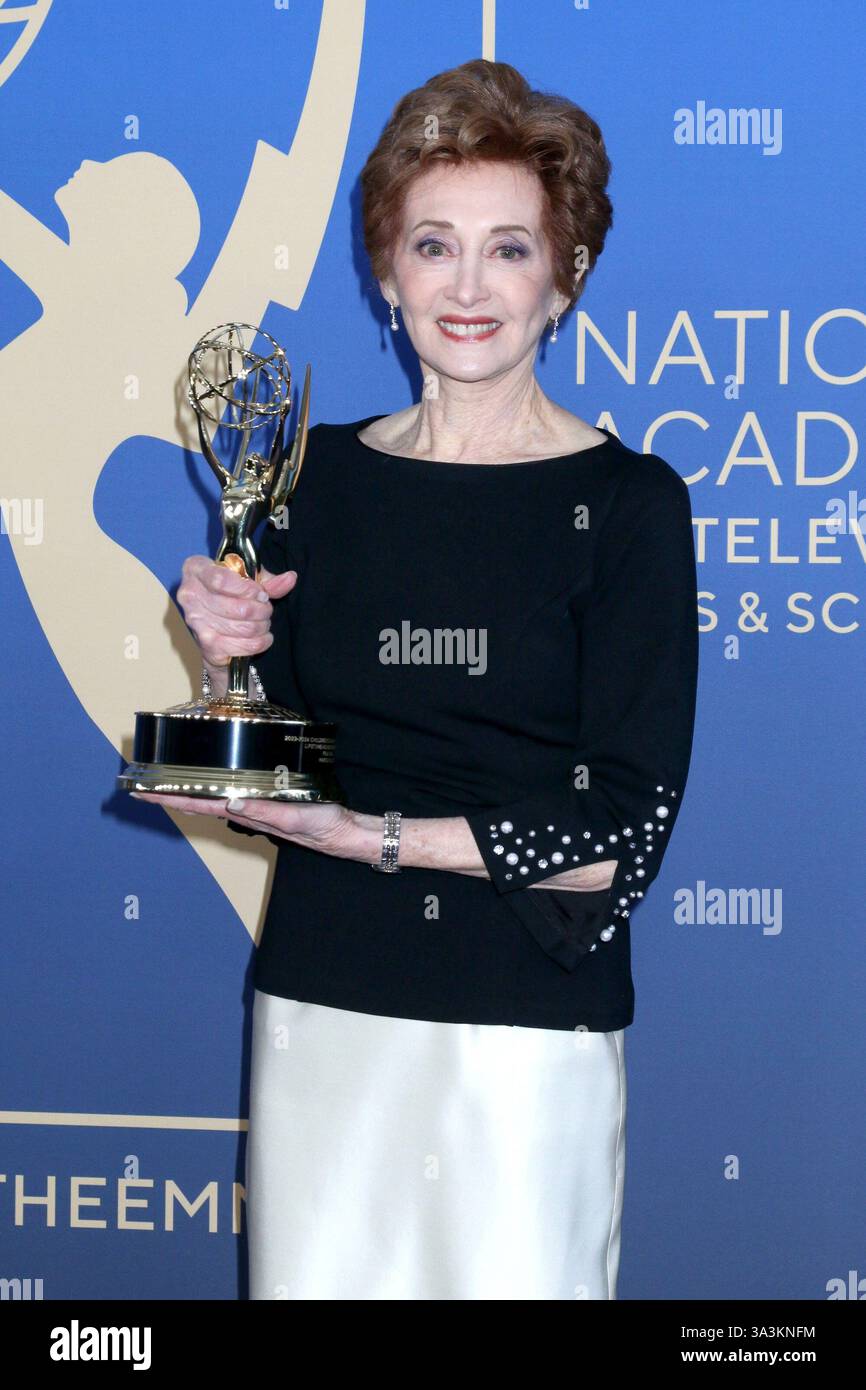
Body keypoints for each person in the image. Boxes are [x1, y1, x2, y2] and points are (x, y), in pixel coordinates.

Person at [136, 59, 699, 1300]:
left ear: (565, 277)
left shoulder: (627, 505)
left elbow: (619, 833)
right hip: (322, 1009)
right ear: (384, 273)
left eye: (509, 249)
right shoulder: (311, 481)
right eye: (432, 244)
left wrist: (366, 835)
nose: (467, 284)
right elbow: (272, 749)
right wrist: (221, 641)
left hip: (522, 1035)